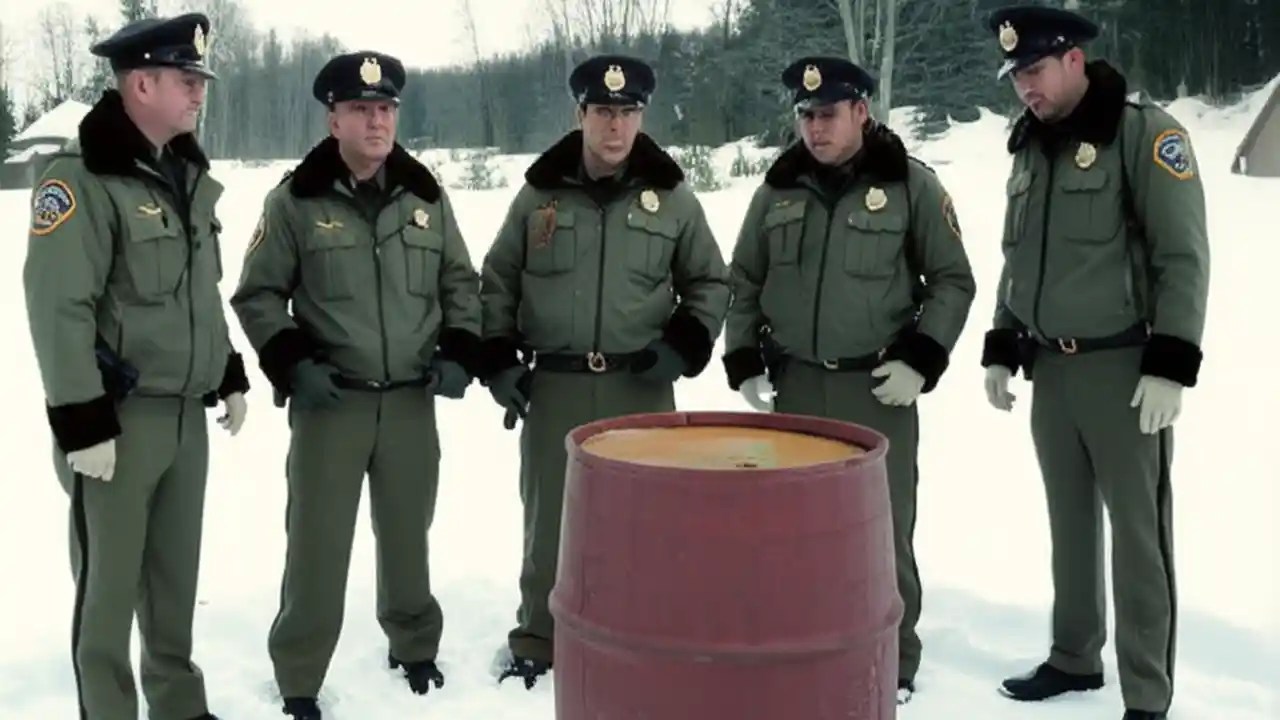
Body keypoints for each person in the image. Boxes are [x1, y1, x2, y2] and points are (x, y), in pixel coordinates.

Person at [229, 51, 482, 720]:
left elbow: (460, 281)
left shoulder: (426, 197)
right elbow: (256, 295)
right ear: (333, 117)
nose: (377, 120)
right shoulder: (294, 201)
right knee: (317, 544)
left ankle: (414, 644)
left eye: (386, 108)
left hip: (408, 400)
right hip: (330, 402)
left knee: (408, 534)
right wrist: (292, 364)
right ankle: (300, 675)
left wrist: (460, 350)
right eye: (362, 109)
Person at [719, 56, 976, 705]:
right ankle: (800, 643)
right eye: (805, 115)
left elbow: (952, 281)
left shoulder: (911, 186)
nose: (815, 126)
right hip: (796, 389)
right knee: (789, 528)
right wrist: (743, 357)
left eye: (828, 113)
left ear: (862, 111)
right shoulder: (775, 191)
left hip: (877, 389)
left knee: (882, 529)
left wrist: (922, 358)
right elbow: (743, 280)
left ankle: (894, 656)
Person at [978, 7, 1210, 720]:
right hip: (1053, 371)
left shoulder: (1144, 133)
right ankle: (1075, 657)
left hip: (1123, 369)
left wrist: (1171, 362)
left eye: (1035, 71)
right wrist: (1002, 342)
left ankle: (1147, 692)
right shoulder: (1032, 147)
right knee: (1069, 524)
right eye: (1015, 76)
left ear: (1074, 60)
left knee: (1139, 536)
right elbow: (1019, 257)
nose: (1025, 88)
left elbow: (1183, 255)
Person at [476, 53, 731, 689]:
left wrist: (683, 345)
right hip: (555, 383)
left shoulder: (671, 198)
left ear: (641, 116)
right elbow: (498, 278)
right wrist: (499, 360)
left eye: (628, 113)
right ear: (580, 114)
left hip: (639, 384)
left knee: (647, 519)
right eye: (602, 112)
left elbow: (709, 281)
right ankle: (540, 634)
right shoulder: (540, 193)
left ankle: (643, 629)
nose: (615, 127)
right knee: (549, 519)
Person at [21, 13, 247, 720]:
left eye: (200, 80)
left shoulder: (183, 176)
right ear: (141, 82)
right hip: (116, 426)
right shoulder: (81, 181)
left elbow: (196, 295)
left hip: (185, 419)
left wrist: (228, 370)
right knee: (110, 591)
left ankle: (180, 706)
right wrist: (81, 420)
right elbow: (59, 305)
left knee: (173, 582)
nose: (198, 93)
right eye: (186, 80)